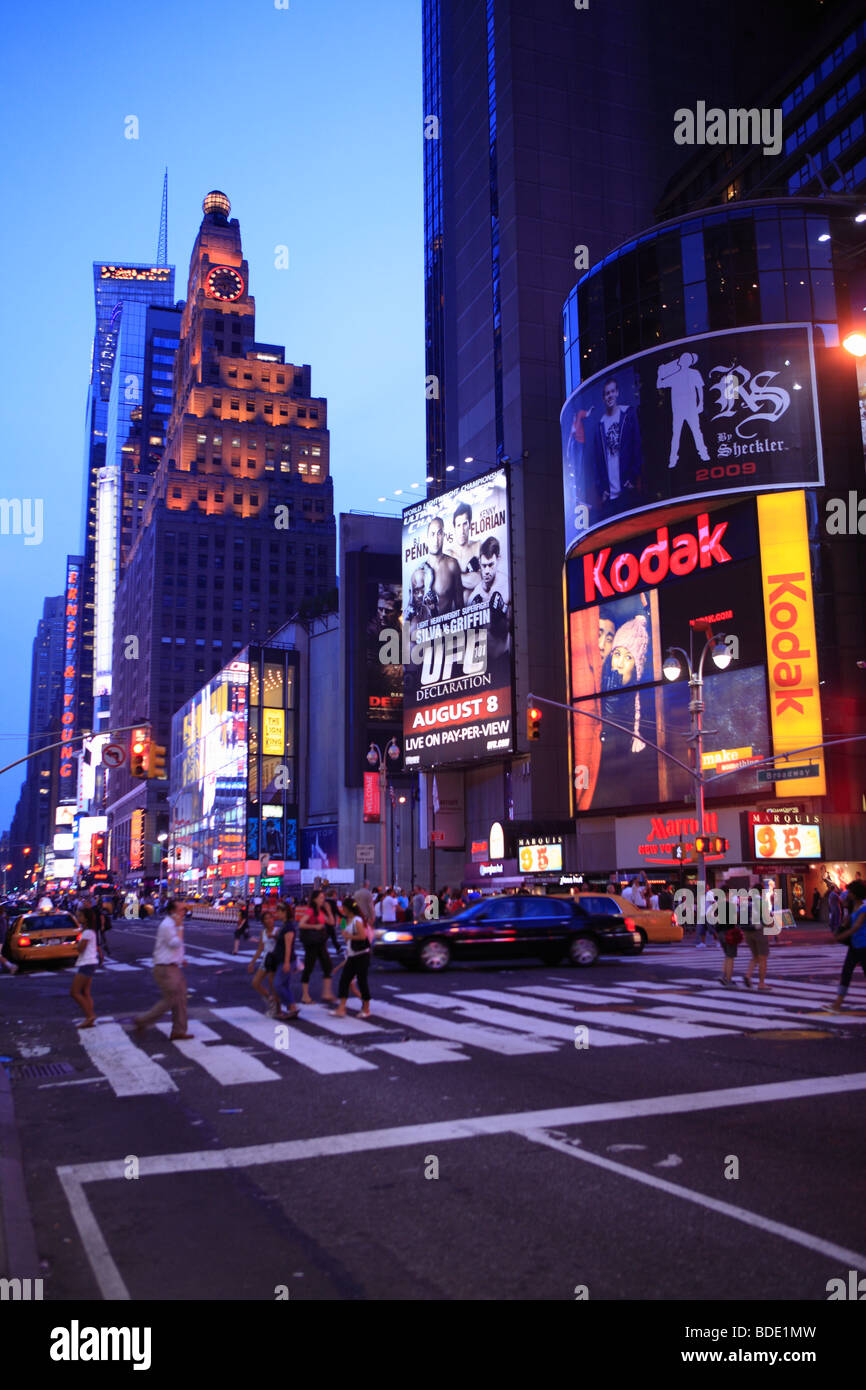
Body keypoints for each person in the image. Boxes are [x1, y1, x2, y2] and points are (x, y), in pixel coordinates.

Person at [133, 901, 193, 1040]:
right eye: (181, 910)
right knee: (172, 999)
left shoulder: (172, 924)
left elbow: (175, 947)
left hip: (172, 966)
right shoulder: (168, 925)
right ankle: (142, 1020)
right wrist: (179, 928)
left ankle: (179, 1030)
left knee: (181, 998)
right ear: (173, 912)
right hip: (165, 968)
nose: (184, 912)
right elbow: (174, 943)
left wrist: (180, 958)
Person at [592, 376, 642, 502]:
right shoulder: (600, 425)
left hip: (628, 487)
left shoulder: (628, 414)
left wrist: (633, 477)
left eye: (612, 391)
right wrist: (602, 489)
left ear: (617, 392)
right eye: (607, 393)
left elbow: (637, 446)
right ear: (603, 398)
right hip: (610, 495)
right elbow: (597, 461)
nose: (610, 396)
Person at [827, 880, 866, 1011]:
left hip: (864, 946)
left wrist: (837, 938)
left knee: (848, 973)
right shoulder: (853, 906)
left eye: (850, 892)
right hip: (855, 946)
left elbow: (856, 927)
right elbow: (847, 923)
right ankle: (837, 1004)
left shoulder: (864, 909)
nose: (847, 894)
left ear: (855, 894)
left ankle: (837, 1005)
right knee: (846, 973)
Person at [334, 897, 372, 1020]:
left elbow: (362, 936)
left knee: (362, 981)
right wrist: (346, 936)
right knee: (344, 980)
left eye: (343, 907)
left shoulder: (356, 920)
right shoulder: (347, 920)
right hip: (352, 954)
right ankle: (341, 1007)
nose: (342, 910)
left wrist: (348, 935)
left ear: (348, 908)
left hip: (361, 954)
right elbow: (347, 936)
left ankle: (366, 1008)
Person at [297, 889, 336, 1005]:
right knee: (309, 966)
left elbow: (332, 922)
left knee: (327, 966)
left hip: (321, 942)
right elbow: (301, 924)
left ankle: (327, 993)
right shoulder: (310, 911)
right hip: (312, 943)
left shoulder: (321, 911)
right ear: (314, 899)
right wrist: (315, 927)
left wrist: (329, 911)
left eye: (323, 897)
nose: (322, 900)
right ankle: (305, 995)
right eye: (320, 897)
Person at [70, 906, 102, 1028]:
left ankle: (90, 1016)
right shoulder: (88, 931)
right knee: (85, 992)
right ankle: (90, 1016)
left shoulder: (88, 932)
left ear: (86, 918)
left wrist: (76, 947)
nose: (77, 918)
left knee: (74, 992)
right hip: (90, 962)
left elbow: (81, 948)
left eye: (79, 916)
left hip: (86, 963)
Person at [446, 500, 481, 605]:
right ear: (454, 528)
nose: (462, 530)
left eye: (465, 524)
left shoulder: (478, 546)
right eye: (458, 525)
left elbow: (480, 580)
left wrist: (455, 577)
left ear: (470, 524)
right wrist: (468, 577)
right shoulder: (448, 554)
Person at [271, 903, 300, 1020]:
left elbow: (289, 946)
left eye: (279, 911)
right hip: (282, 959)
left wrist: (287, 962)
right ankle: (291, 1008)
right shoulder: (284, 926)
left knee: (278, 985)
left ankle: (292, 1006)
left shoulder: (288, 927)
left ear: (285, 913)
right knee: (285, 985)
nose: (277, 914)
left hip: (286, 960)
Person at [248, 909, 279, 1014]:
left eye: (270, 917)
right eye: (266, 918)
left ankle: (275, 1008)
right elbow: (260, 948)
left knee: (272, 984)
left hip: (274, 960)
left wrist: (275, 937)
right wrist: (252, 962)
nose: (269, 920)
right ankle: (270, 999)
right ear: (264, 921)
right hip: (265, 960)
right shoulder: (263, 932)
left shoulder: (277, 930)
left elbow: (283, 944)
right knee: (255, 983)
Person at [741, 893, 772, 991]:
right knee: (763, 958)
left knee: (755, 956)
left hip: (747, 933)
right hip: (759, 933)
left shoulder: (746, 903)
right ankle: (761, 983)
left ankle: (748, 975)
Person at [718, 921, 743, 986]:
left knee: (727, 955)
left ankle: (723, 975)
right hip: (729, 932)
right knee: (730, 957)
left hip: (720, 932)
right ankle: (728, 980)